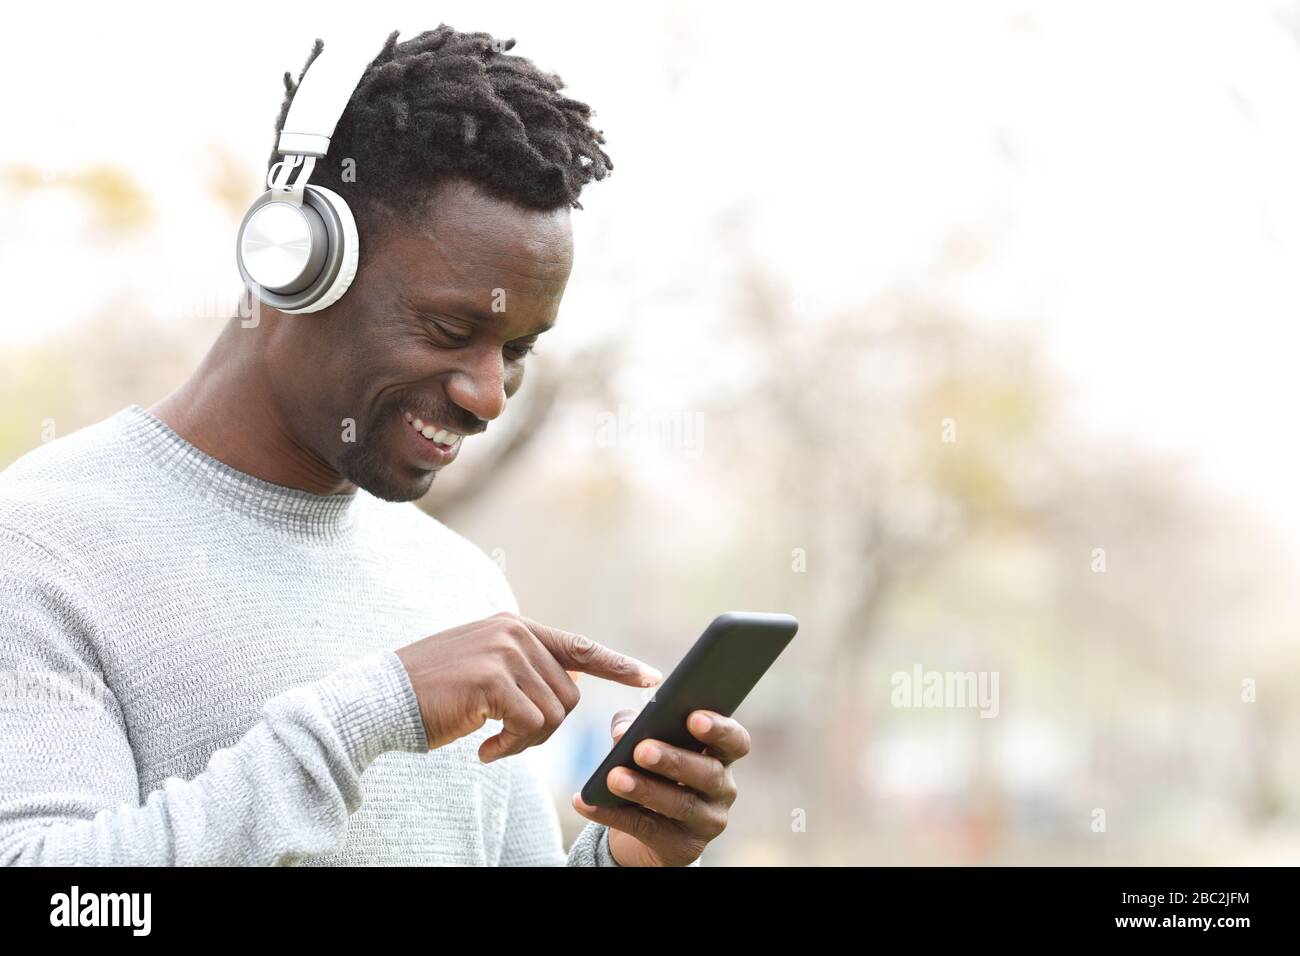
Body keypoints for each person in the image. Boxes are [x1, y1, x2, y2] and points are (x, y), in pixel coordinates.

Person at [0, 24, 751, 866]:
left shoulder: (458, 584)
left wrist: (627, 855)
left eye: (515, 351)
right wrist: (375, 710)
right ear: (293, 261)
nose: (488, 395)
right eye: (449, 328)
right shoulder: (38, 550)